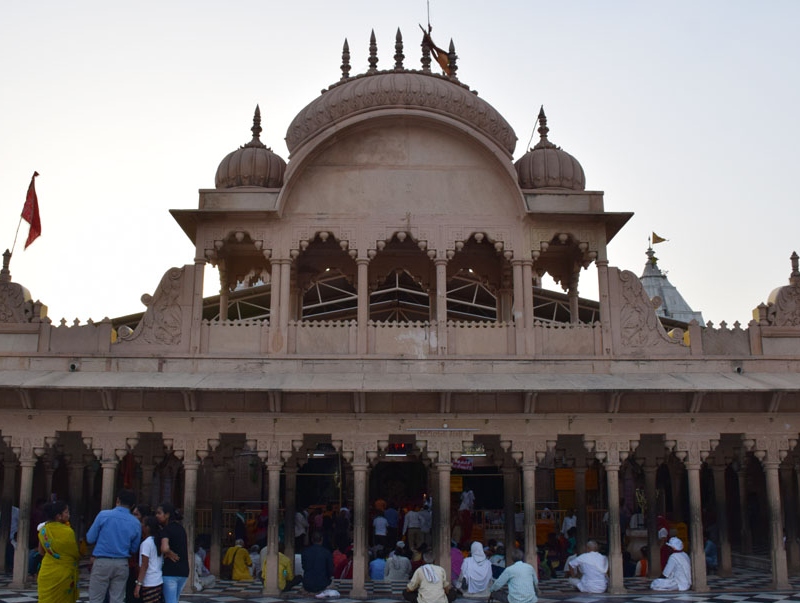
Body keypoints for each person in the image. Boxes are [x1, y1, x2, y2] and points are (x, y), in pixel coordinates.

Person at [86, 489, 142, 603]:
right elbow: (134, 548)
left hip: (102, 561)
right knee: (117, 599)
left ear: (117, 500)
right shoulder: (135, 522)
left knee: (96, 599)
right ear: (133, 506)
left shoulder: (103, 515)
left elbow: (90, 538)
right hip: (122, 563)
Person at [37, 500, 80, 603]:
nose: (68, 515)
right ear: (58, 516)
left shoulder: (44, 530)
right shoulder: (68, 532)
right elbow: (74, 553)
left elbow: (41, 552)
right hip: (63, 574)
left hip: (46, 573)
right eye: (66, 512)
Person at [157, 503, 189, 603]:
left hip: (170, 571)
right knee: (175, 599)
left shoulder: (166, 529)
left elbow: (164, 548)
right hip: (183, 571)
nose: (157, 516)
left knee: (170, 600)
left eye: (159, 513)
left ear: (167, 515)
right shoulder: (181, 528)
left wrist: (169, 553)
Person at [133, 516, 162, 603]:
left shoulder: (146, 543)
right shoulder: (157, 541)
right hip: (158, 580)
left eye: (143, 524)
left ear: (147, 527)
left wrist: (138, 584)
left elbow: (144, 565)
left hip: (149, 581)